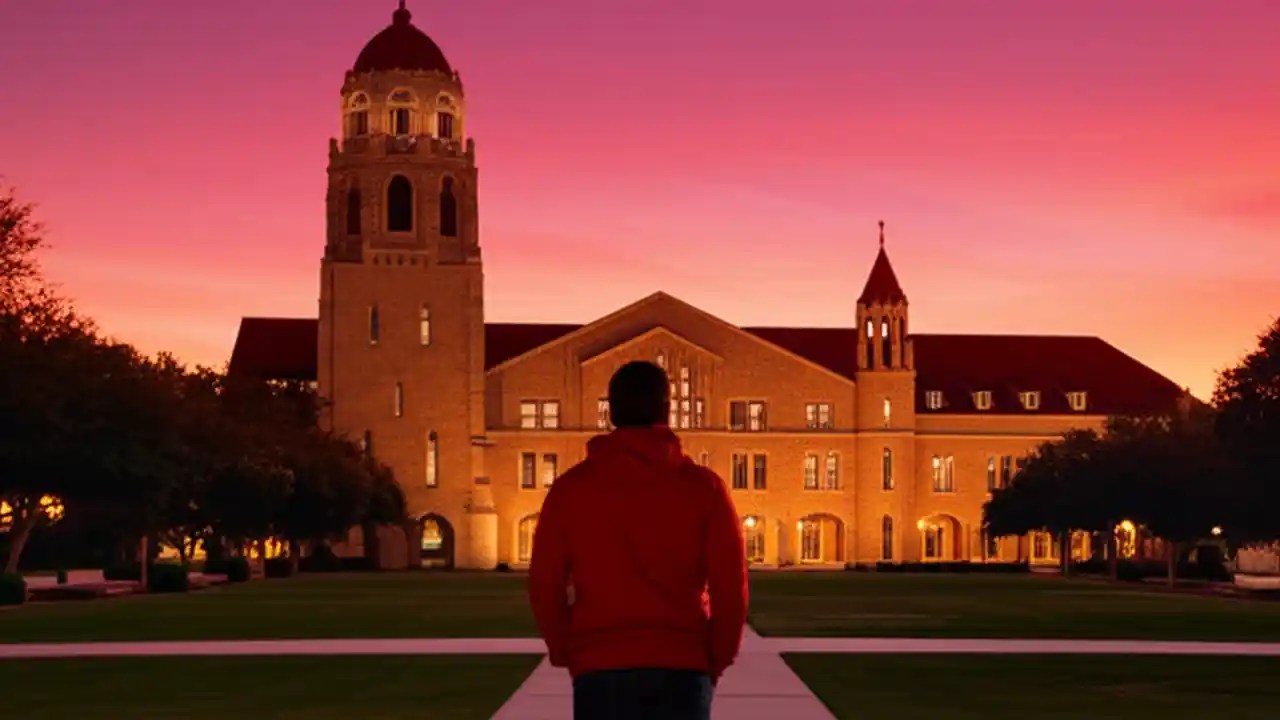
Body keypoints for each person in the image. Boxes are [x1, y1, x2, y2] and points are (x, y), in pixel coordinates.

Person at [528, 360, 749, 720]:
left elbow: (544, 584)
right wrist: (717, 658)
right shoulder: (704, 489)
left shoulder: (570, 490)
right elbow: (730, 586)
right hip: (682, 664)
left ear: (611, 412)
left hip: (600, 668)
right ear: (666, 410)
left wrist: (567, 650)